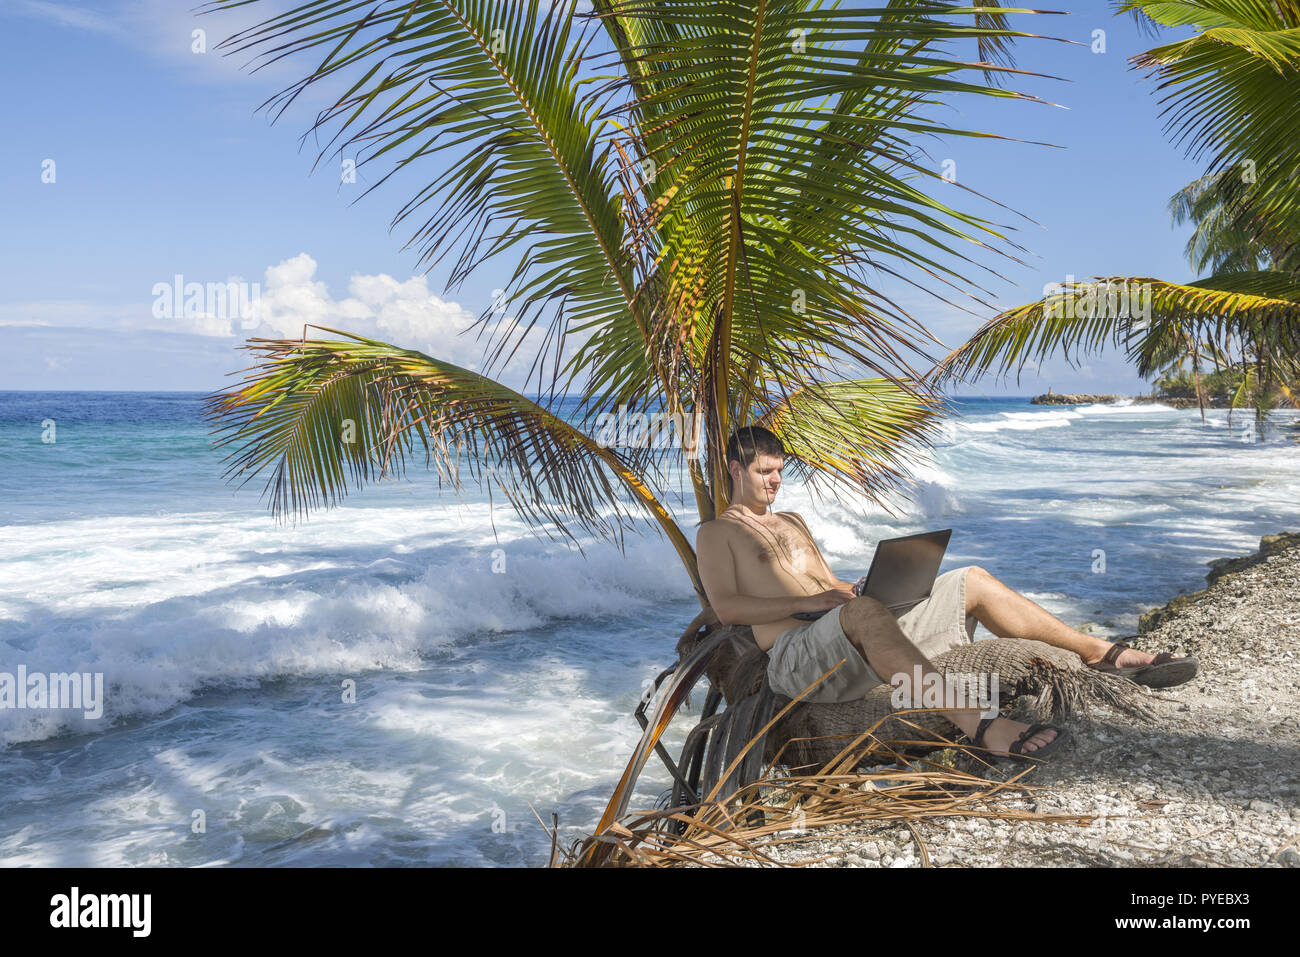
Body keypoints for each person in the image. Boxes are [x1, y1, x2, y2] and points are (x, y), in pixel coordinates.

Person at [694, 425, 1198, 760]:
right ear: (736, 469)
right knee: (866, 613)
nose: (776, 480)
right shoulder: (716, 533)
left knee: (971, 579)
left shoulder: (793, 521)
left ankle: (1102, 654)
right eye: (765, 471)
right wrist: (812, 603)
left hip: (846, 631)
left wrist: (854, 590)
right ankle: (981, 726)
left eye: (781, 470)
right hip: (796, 659)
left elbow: (827, 587)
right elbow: (727, 607)